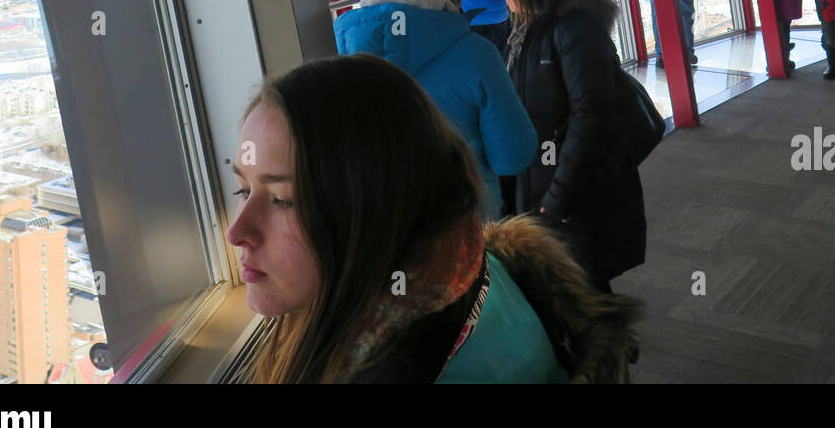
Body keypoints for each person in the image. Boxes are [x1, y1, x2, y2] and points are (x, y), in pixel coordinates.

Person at [228, 53, 642, 383]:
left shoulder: (398, 363)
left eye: (283, 199)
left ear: (374, 208)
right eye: (244, 190)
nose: (236, 232)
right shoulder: (475, 269)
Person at [491, 0, 646, 293]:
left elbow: (592, 113)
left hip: (571, 188)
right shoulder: (525, 27)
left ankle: (610, 350)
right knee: (561, 286)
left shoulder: (574, 27)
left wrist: (559, 196)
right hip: (542, 181)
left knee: (582, 288)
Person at [333, 0, 536, 220]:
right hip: (463, 215)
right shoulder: (476, 53)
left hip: (382, 217)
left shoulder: (350, 60)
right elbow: (512, 156)